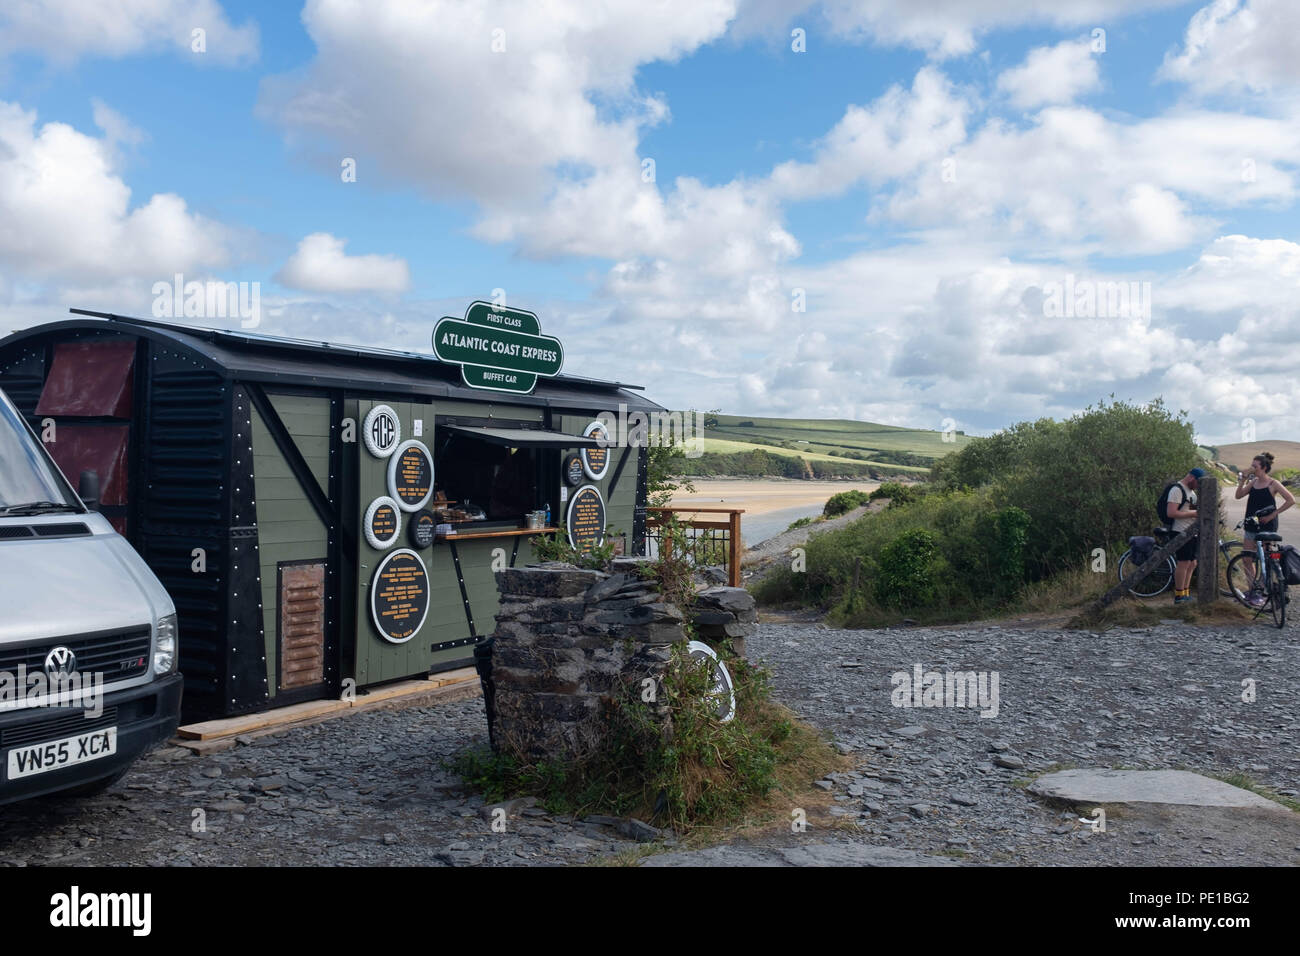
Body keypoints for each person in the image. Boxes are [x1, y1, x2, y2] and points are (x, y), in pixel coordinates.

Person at [1234, 452, 1295, 606]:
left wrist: (1274, 514)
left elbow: (1291, 500)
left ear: (1264, 468)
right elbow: (1238, 495)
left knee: (1267, 559)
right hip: (1251, 524)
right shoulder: (1253, 482)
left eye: (1255, 466)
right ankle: (1253, 591)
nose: (1252, 468)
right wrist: (1242, 481)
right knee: (1248, 559)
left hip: (1268, 525)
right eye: (1252, 465)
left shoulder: (1273, 484)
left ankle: (1262, 589)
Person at [1163, 467, 1204, 604]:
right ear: (1192, 478)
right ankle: (1179, 595)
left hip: (1191, 532)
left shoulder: (1191, 492)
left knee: (1192, 563)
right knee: (1183, 563)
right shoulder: (1177, 490)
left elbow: (1192, 511)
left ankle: (1186, 592)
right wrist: (1194, 514)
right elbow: (1171, 513)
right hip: (1180, 531)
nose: (1198, 486)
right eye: (1198, 483)